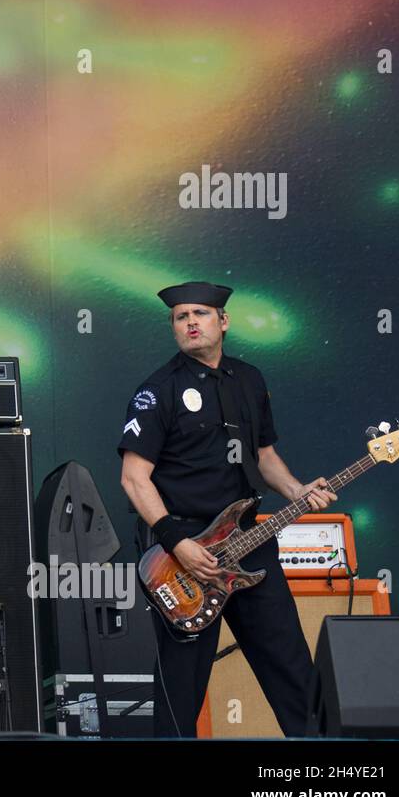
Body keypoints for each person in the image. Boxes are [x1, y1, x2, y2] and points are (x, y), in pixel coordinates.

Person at [118, 282, 336, 737]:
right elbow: (134, 478)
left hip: (250, 542)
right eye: (181, 317)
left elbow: (264, 456)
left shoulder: (250, 379)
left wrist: (297, 490)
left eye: (200, 313)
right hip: (185, 555)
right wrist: (175, 541)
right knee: (181, 689)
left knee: (294, 669)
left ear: (224, 321)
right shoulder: (158, 390)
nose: (191, 322)